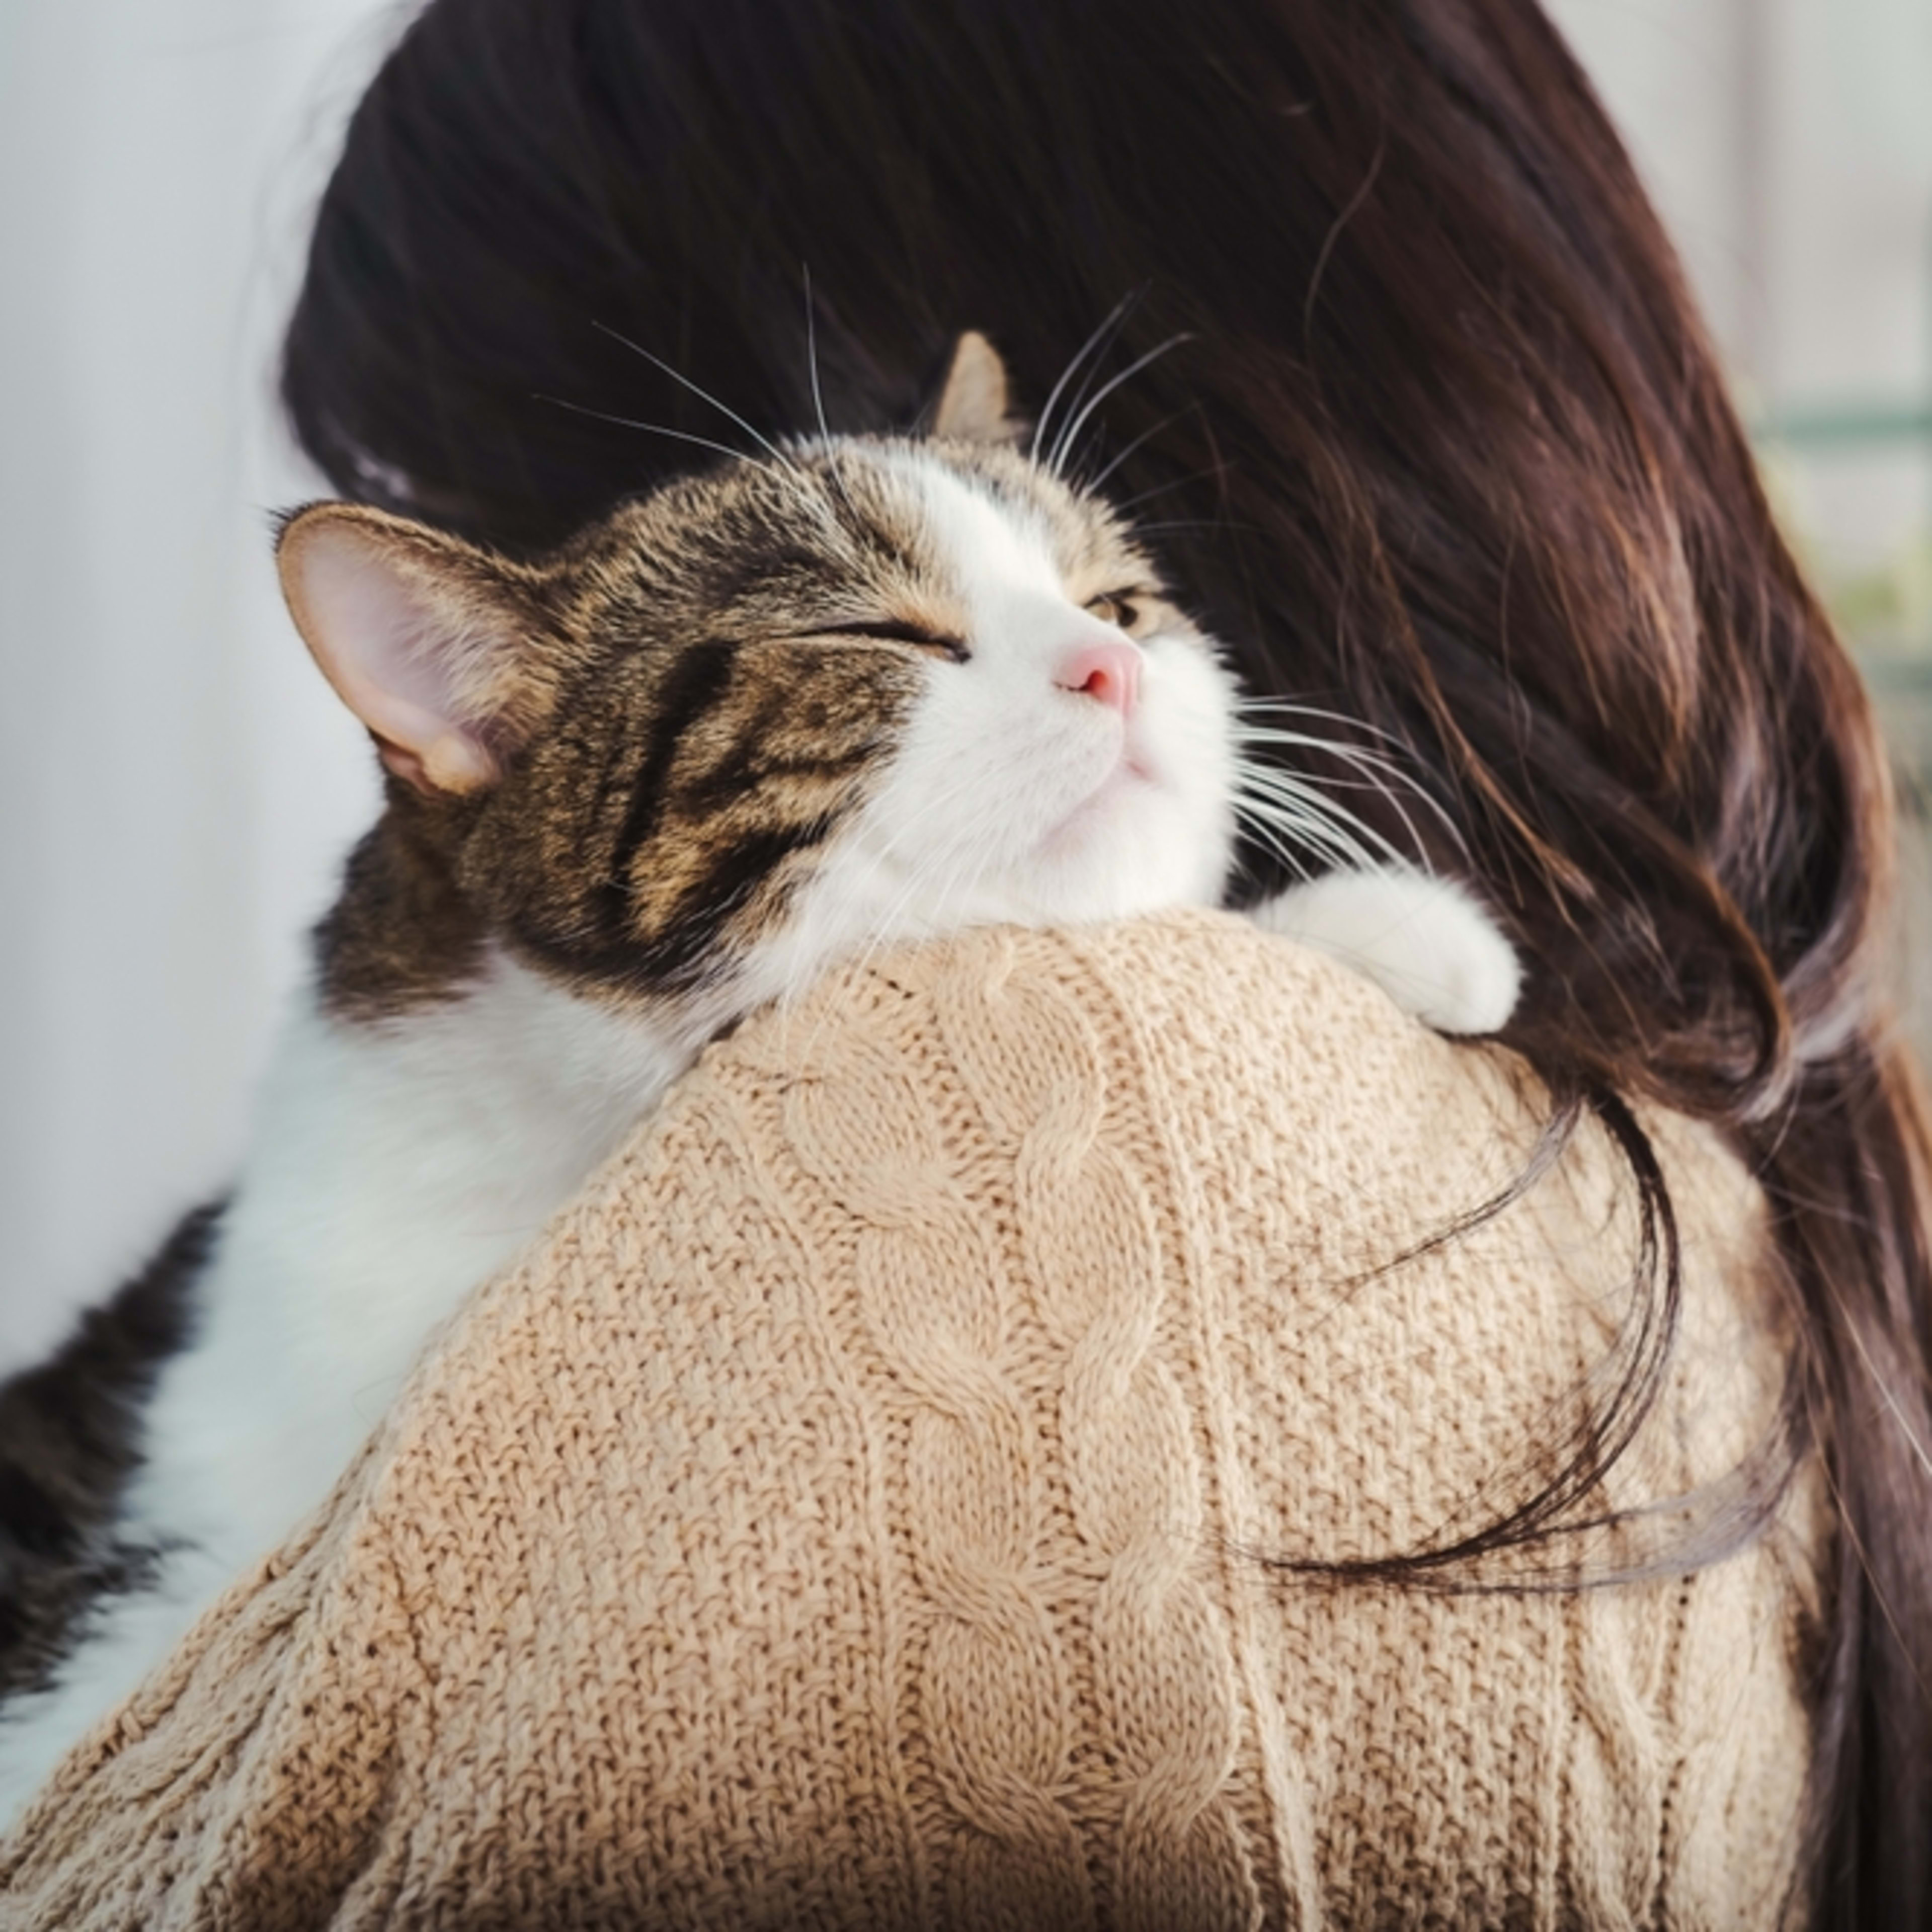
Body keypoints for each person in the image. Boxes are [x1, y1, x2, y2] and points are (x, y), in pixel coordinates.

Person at [145, 0, 1932, 1921]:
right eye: (893, 629)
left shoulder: (990, 1117)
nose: (1103, 656)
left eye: (1119, 594)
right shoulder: (1720, 1188)